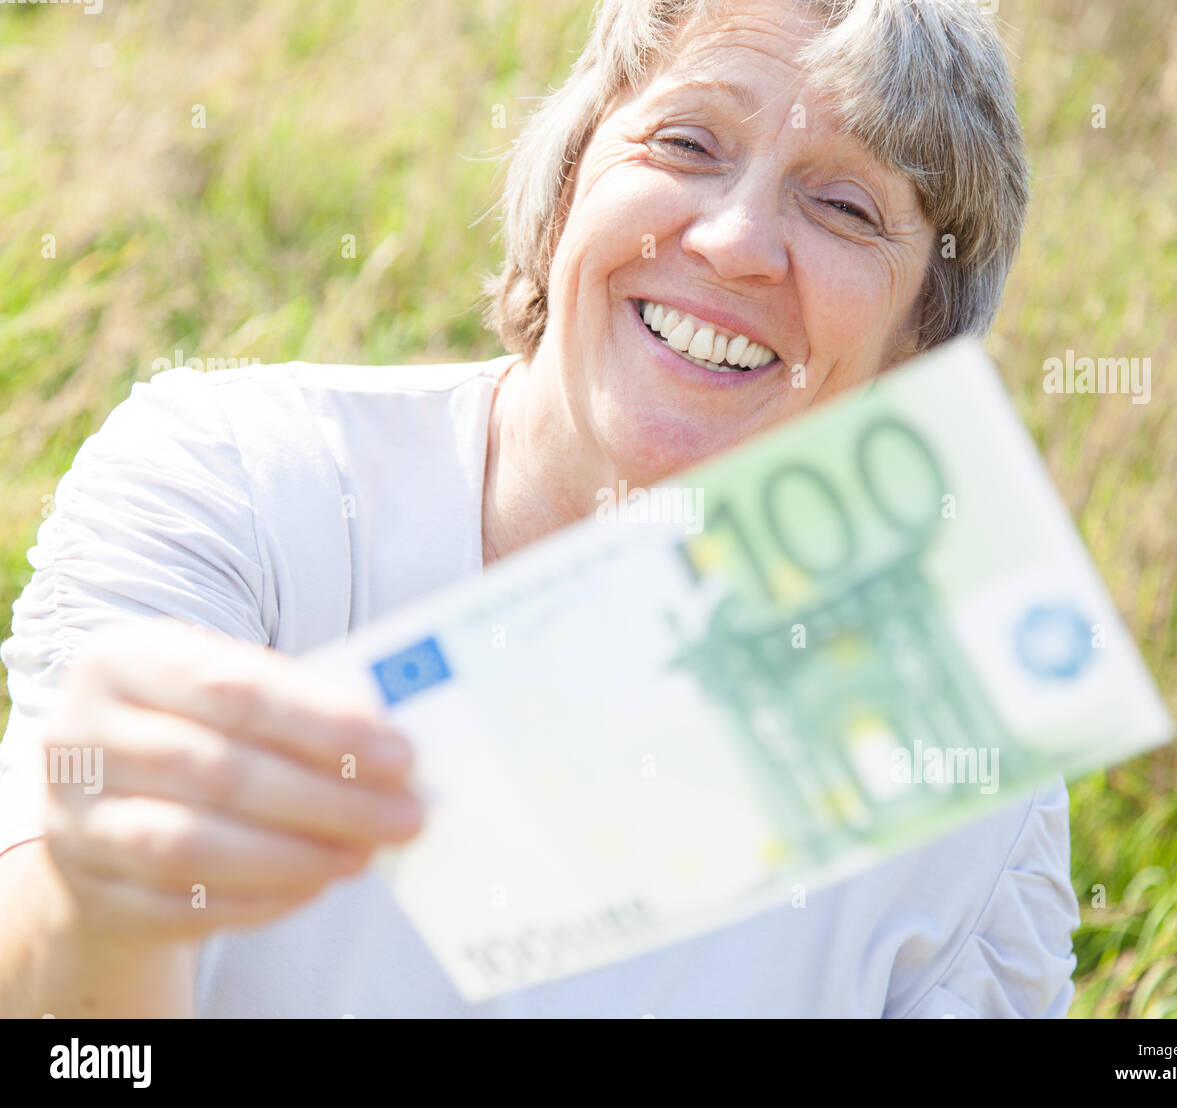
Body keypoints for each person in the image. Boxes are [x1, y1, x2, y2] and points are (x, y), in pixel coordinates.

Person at [0, 0, 1079, 1017]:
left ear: (914, 349)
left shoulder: (978, 786)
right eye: (686, 144)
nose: (735, 240)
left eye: (844, 206)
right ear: (568, 184)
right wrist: (101, 905)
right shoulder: (237, 490)